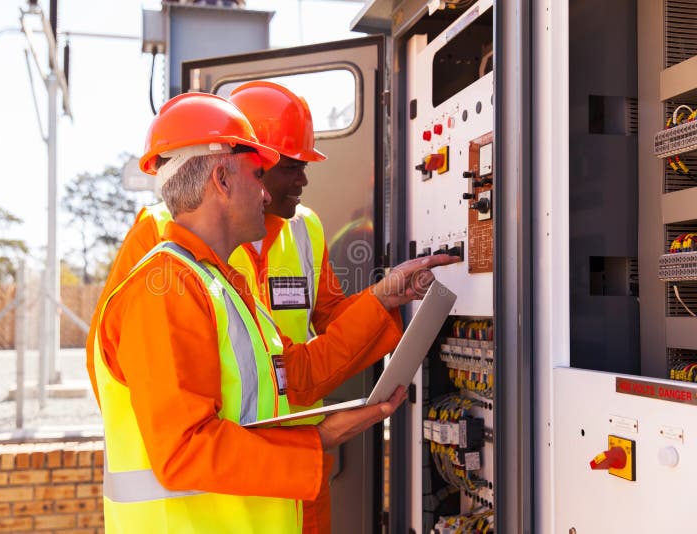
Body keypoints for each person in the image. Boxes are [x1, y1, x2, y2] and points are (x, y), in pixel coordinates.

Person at [92, 92, 457, 533]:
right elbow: (180, 446)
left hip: (269, 494)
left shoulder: (227, 285)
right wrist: (318, 438)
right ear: (222, 179)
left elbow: (294, 373)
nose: (266, 191)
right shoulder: (164, 286)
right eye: (258, 173)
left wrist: (383, 298)